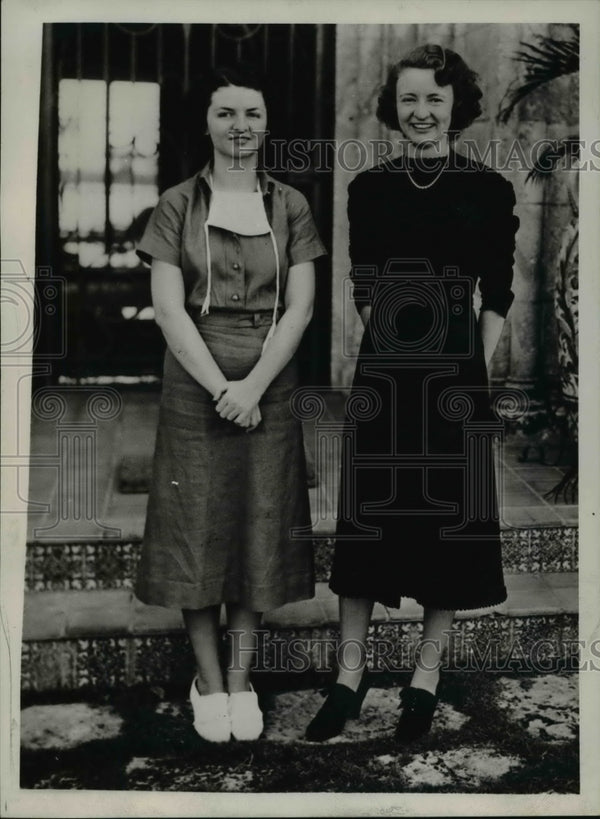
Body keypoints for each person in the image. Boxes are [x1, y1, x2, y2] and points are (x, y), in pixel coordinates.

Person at [306, 44, 519, 742]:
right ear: (393, 109)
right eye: (408, 100)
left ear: (456, 103)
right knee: (368, 524)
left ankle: (424, 680)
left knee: (449, 529)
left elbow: (499, 288)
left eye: (433, 98)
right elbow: (365, 285)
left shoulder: (488, 189)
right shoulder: (369, 188)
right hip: (388, 374)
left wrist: (470, 368)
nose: (421, 112)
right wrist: (398, 355)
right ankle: (348, 677)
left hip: (456, 378)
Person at [134, 63, 326, 743]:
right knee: (196, 526)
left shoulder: (291, 205)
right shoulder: (176, 204)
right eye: (226, 113)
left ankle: (243, 682)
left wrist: (252, 388)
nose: (240, 126)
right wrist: (221, 387)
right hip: (195, 382)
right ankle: (208, 680)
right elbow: (166, 307)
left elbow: (301, 307)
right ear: (207, 123)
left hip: (269, 380)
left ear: (267, 123)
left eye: (252, 113)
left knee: (258, 528)